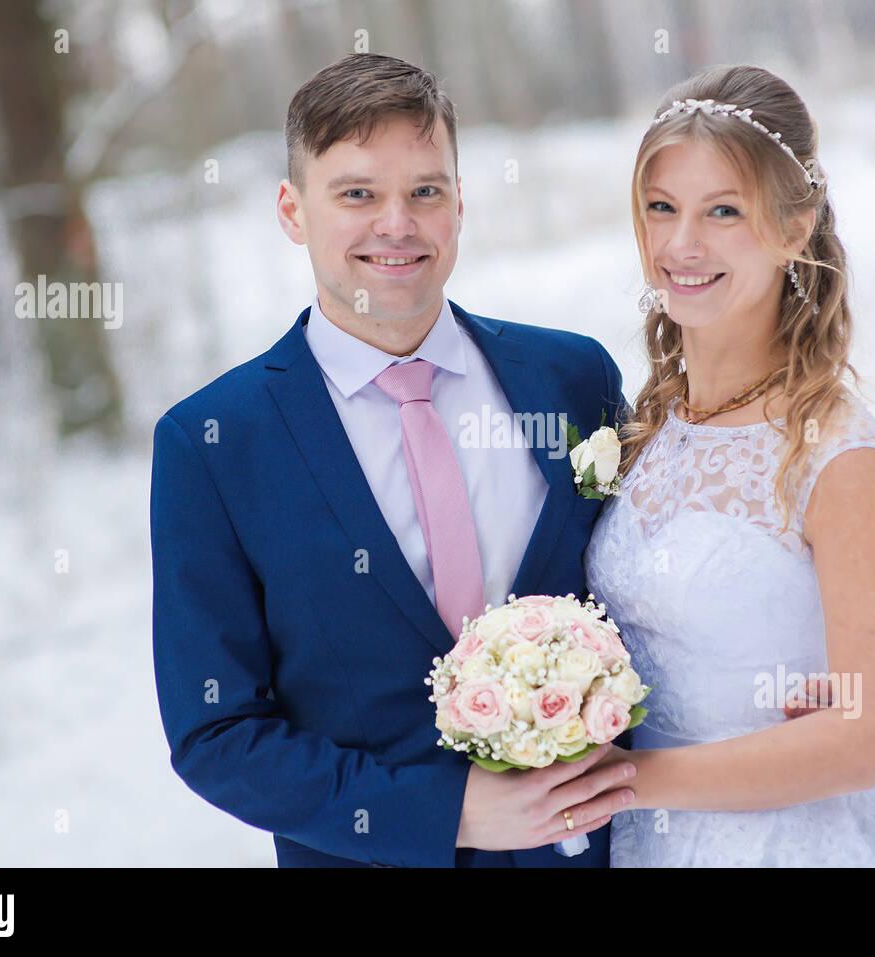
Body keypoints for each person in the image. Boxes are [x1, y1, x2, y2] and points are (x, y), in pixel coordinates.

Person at [149, 53, 636, 867]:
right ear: (291, 209)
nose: (397, 223)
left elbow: (642, 600)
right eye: (357, 194)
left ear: (457, 203)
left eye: (425, 190)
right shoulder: (213, 442)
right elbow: (216, 733)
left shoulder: (571, 377)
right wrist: (444, 812)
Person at [584, 64, 875, 866]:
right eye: (661, 207)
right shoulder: (649, 420)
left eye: (723, 211)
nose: (680, 244)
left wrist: (630, 777)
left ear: (795, 227)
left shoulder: (836, 452)